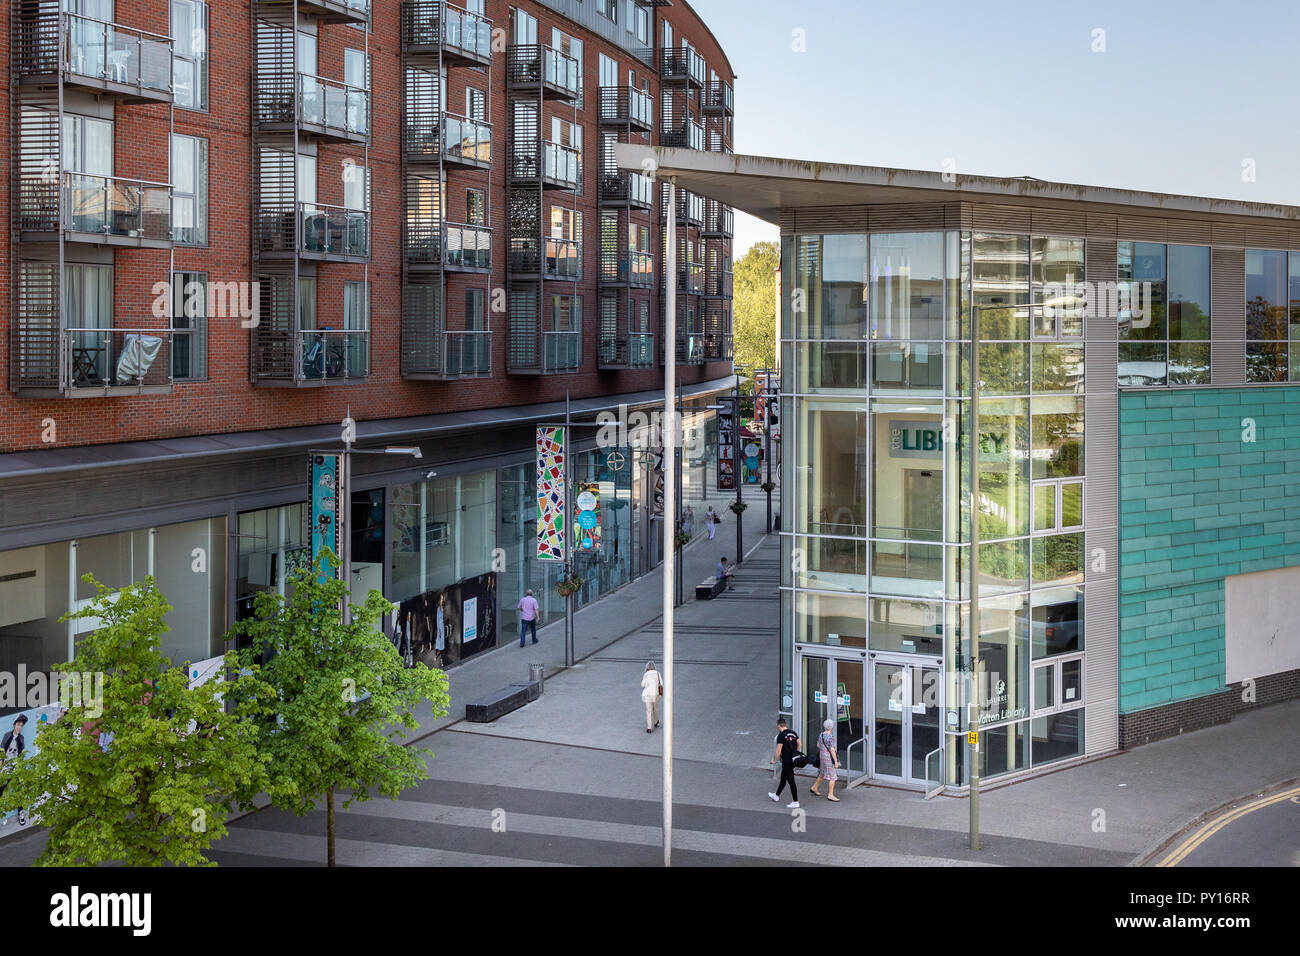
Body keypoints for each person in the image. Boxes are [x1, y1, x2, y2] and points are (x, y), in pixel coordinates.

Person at [768, 717, 801, 809]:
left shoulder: (781, 735)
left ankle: (795, 801)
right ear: (785, 725)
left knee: (791, 781)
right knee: (783, 778)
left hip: (787, 761)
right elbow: (799, 743)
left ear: (779, 726)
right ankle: (776, 795)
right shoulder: (793, 732)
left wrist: (774, 760)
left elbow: (778, 750)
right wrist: (796, 753)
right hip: (793, 760)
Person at [1, 716, 27, 826]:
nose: (20, 727)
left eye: (21, 726)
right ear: (14, 725)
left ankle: (21, 812)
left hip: (16, 768)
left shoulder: (21, 738)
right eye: (18, 725)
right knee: (1, 790)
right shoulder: (7, 735)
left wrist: (20, 768)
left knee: (18, 792)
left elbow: (21, 755)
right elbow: (1, 750)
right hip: (6, 768)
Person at [809, 719, 840, 801]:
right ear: (832, 727)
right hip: (828, 758)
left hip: (822, 757)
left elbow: (818, 745)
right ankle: (830, 794)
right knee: (833, 777)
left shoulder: (821, 734)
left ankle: (814, 787)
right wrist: (836, 762)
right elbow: (832, 750)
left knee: (822, 773)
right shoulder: (831, 737)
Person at [641, 661, 663, 733]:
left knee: (648, 710)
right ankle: (656, 721)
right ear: (654, 667)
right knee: (655, 708)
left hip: (647, 694)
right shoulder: (657, 673)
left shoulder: (646, 674)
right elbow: (661, 683)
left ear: (647, 668)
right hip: (656, 693)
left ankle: (649, 728)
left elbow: (642, 684)